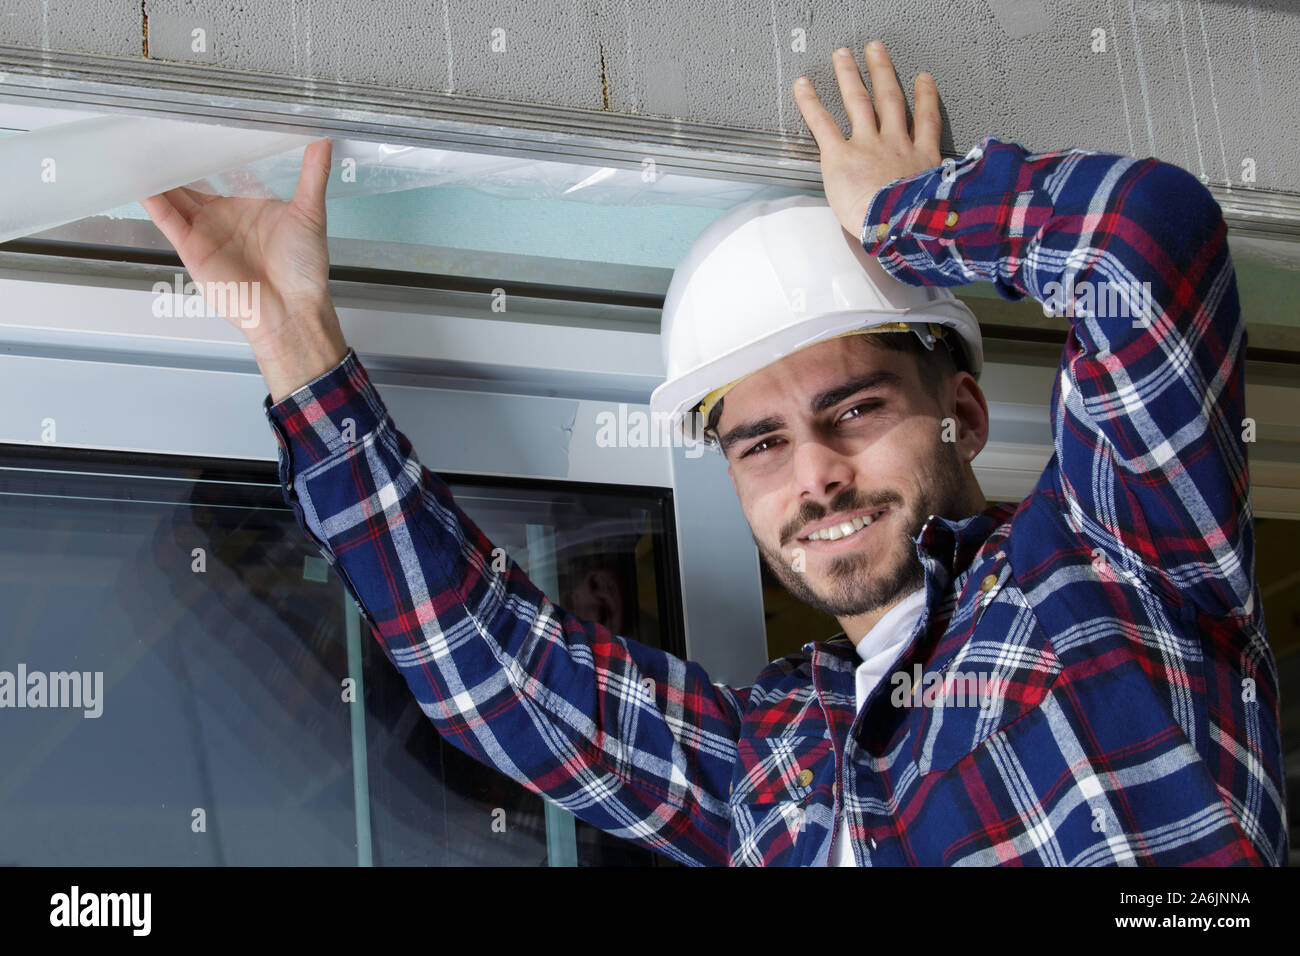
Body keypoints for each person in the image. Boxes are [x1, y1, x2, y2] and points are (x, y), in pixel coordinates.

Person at [141, 41, 1287, 866]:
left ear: (966, 418)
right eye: (761, 443)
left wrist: (905, 211)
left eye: (853, 409)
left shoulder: (1110, 557)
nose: (815, 475)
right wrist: (294, 338)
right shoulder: (772, 767)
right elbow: (489, 670)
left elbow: (1145, 242)